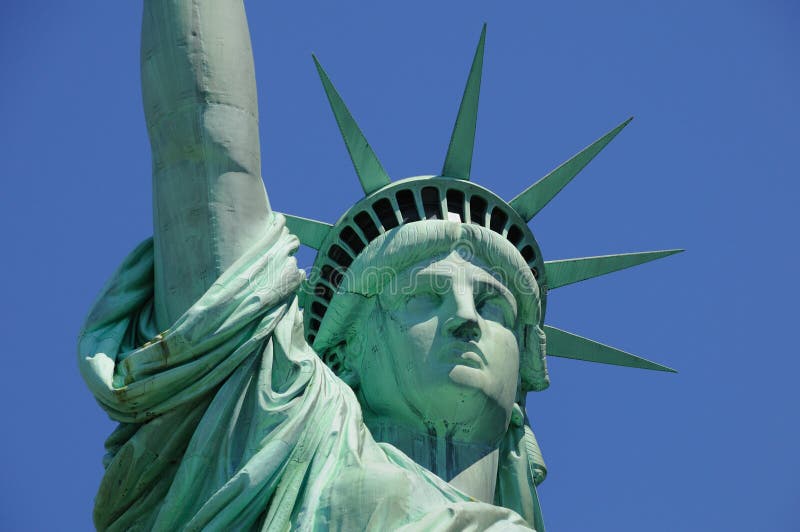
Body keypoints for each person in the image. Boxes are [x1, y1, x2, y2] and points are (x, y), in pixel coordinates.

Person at [79, 1, 548, 530]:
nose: (467, 318)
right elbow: (201, 143)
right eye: (424, 295)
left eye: (495, 307)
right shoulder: (274, 439)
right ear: (344, 355)